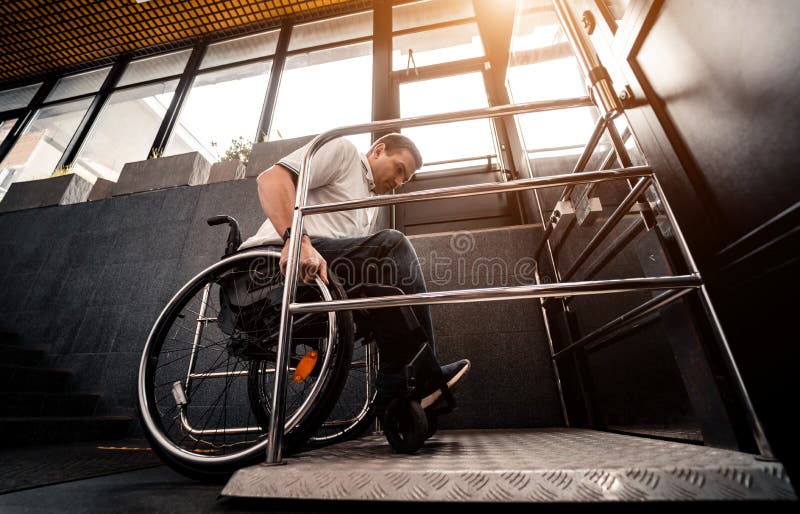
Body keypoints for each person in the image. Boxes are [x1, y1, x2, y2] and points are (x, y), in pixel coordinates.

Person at [239, 132, 470, 409]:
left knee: (384, 289)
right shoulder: (344, 152)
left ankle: (395, 390)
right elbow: (271, 179)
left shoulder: (368, 205)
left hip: (323, 272)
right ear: (379, 150)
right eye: (399, 170)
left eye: (404, 180)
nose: (397, 183)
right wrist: (296, 240)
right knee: (393, 244)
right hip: (272, 257)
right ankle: (426, 375)